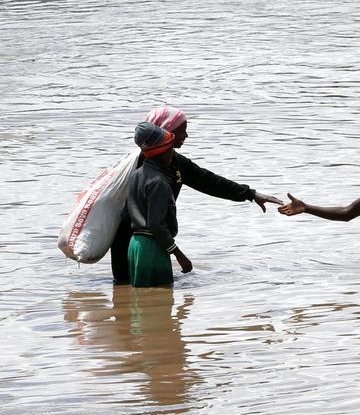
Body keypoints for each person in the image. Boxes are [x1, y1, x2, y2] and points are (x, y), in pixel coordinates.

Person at [111, 106, 283, 284]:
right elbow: (153, 222)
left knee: (134, 299)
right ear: (165, 133)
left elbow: (208, 181)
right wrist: (177, 253)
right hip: (133, 241)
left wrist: (250, 194)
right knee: (143, 292)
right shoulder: (147, 168)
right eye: (181, 130)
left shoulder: (171, 162)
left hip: (142, 244)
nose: (186, 135)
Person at [127, 122, 192, 287]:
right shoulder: (159, 182)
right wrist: (178, 254)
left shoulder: (135, 176)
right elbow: (156, 224)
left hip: (135, 245)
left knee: (140, 305)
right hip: (152, 248)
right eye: (170, 149)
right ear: (162, 152)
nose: (172, 153)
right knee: (159, 305)